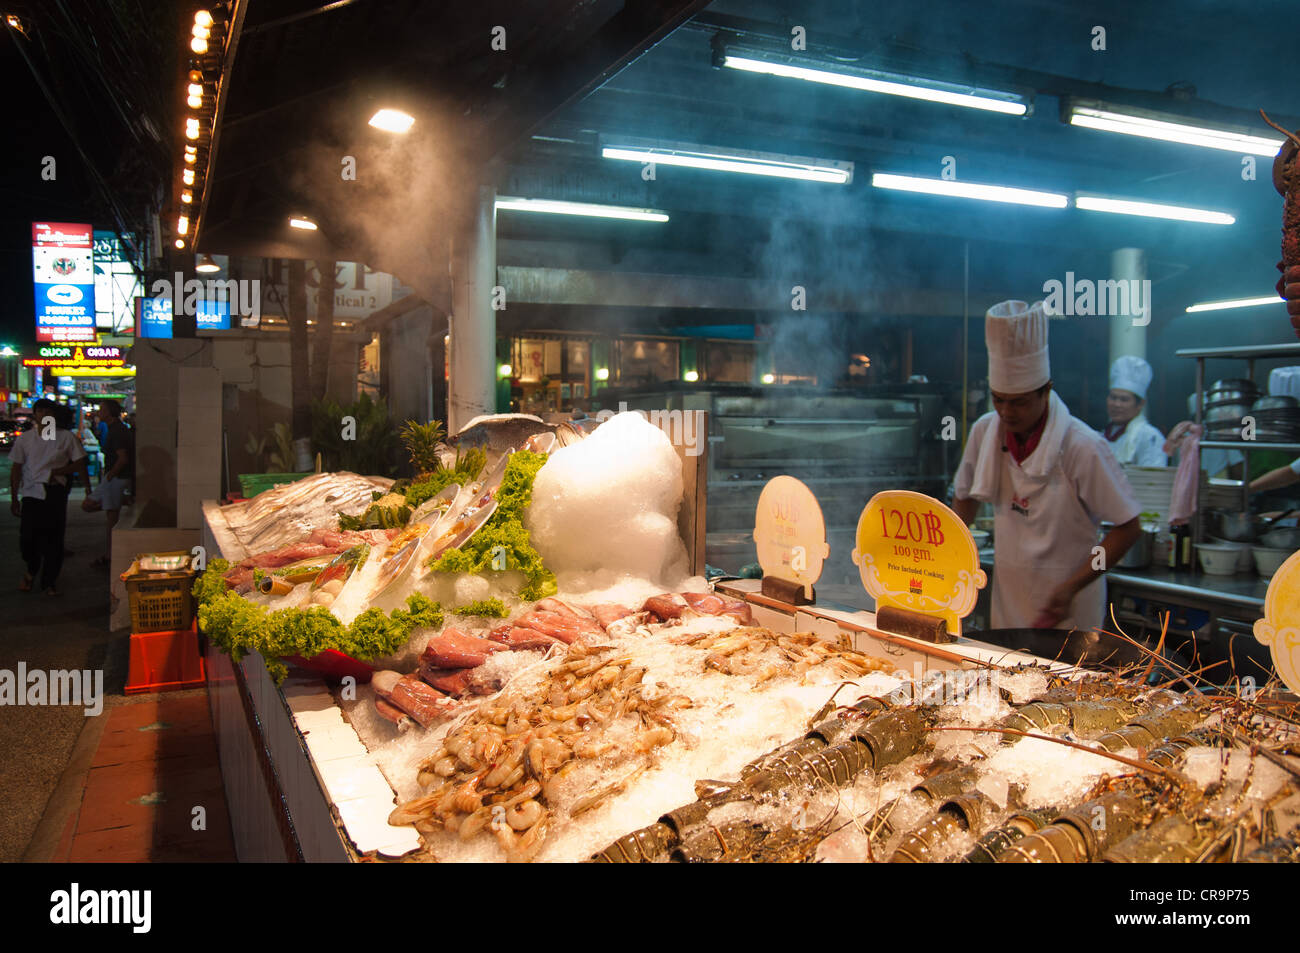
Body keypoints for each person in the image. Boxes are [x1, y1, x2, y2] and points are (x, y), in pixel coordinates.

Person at [952, 300, 1142, 630]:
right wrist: (951, 556)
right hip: (1008, 604)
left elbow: (1128, 527)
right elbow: (965, 497)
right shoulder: (986, 430)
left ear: (1046, 391)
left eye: (1020, 402)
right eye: (999, 400)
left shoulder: (1082, 446)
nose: (1007, 413)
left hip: (1069, 614)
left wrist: (1072, 586)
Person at [9, 399, 90, 594]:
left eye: (48, 411)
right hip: (31, 493)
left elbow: (80, 463)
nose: (44, 414)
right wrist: (14, 497)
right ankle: (31, 569)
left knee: (53, 539)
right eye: (40, 410)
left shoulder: (65, 437)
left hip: (55, 492)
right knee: (28, 538)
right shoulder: (25, 439)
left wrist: (61, 472)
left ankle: (49, 581)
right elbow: (17, 467)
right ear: (35, 414)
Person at [82, 399, 134, 568]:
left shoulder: (117, 431)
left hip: (116, 477)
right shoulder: (116, 429)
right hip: (115, 477)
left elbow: (123, 458)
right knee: (101, 510)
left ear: (109, 412)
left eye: (102, 409)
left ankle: (110, 555)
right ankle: (109, 554)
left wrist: (111, 474)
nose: (98, 412)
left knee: (110, 516)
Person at [1101, 355, 1167, 466]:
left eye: (1124, 400)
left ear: (1140, 404)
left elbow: (1151, 479)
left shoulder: (1149, 436)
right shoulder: (1101, 436)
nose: (1117, 404)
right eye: (1113, 397)